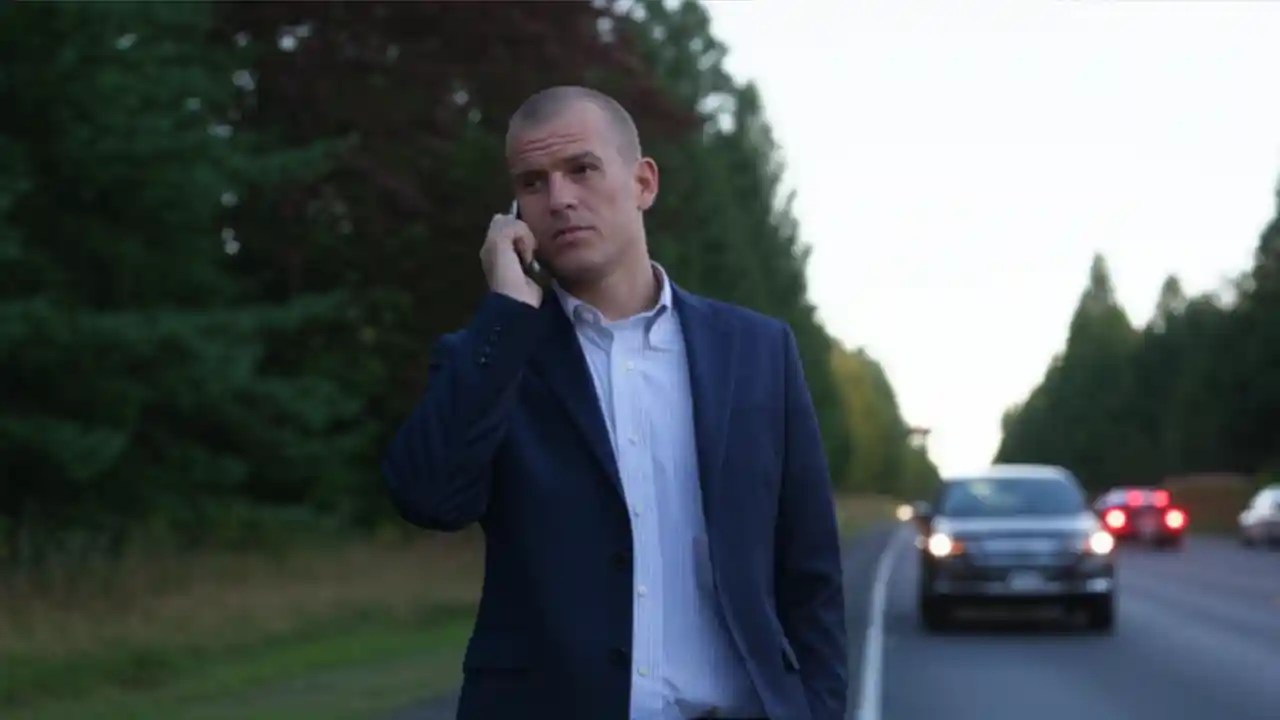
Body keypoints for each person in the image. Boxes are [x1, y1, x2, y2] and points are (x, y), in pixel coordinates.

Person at [381, 85, 846, 720]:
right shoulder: (494, 357)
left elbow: (809, 568)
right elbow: (429, 497)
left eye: (582, 169)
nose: (561, 199)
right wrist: (507, 313)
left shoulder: (757, 351)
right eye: (533, 182)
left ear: (643, 182)